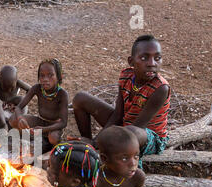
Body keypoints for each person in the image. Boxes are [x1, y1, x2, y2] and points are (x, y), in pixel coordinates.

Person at [72, 35, 170, 167]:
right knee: (80, 98)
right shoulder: (126, 76)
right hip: (126, 125)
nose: (152, 63)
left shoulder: (160, 88)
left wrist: (99, 142)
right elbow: (118, 114)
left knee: (131, 132)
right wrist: (95, 141)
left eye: (157, 58)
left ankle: (99, 155)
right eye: (144, 58)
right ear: (131, 61)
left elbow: (138, 126)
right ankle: (87, 142)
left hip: (147, 136)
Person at [9, 58, 69, 148]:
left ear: (58, 76)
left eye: (50, 75)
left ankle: (48, 145)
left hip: (54, 126)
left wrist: (44, 130)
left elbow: (63, 123)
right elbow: (18, 107)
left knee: (53, 138)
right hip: (40, 121)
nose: (45, 79)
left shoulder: (62, 94)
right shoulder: (37, 88)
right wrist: (20, 118)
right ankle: (34, 140)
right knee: (13, 119)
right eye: (42, 76)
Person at [0, 65, 31, 130]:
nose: (9, 90)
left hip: (13, 103)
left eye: (12, 88)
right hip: (1, 106)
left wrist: (18, 105)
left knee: (22, 99)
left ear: (16, 80)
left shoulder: (19, 83)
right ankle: (3, 123)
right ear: (0, 80)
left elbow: (30, 90)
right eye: (5, 88)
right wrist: (0, 104)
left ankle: (21, 119)